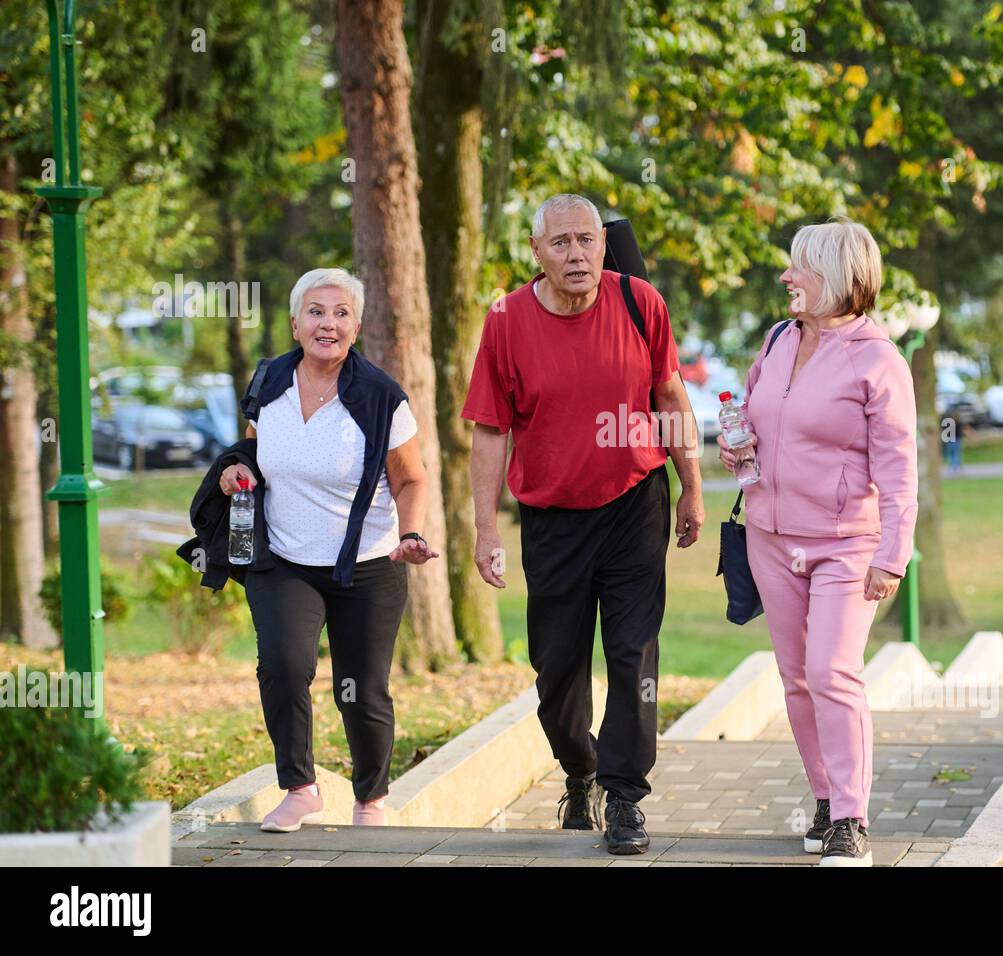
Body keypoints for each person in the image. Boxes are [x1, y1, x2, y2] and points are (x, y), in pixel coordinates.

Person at [461, 193, 704, 855]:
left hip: (634, 505)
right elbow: (489, 428)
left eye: (587, 240)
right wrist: (485, 528)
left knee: (632, 654)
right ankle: (582, 770)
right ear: (537, 253)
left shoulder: (639, 302)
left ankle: (625, 797)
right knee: (557, 669)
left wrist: (691, 487)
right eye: (561, 243)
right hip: (551, 519)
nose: (577, 254)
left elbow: (670, 395)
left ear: (604, 244)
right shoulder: (507, 318)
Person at [719, 220, 919, 866]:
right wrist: (735, 444)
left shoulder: (877, 360)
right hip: (770, 537)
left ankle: (853, 818)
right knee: (796, 679)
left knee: (833, 672)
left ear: (835, 278)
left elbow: (898, 468)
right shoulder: (779, 339)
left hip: (845, 545)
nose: (786, 277)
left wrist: (892, 555)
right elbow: (749, 415)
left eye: (798, 267)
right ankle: (826, 800)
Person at [218, 267, 438, 832]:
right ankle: (300, 787)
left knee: (361, 689)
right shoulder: (269, 383)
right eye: (316, 312)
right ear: (295, 324)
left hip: (366, 564)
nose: (328, 324)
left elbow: (412, 479)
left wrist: (410, 535)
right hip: (284, 561)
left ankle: (370, 800)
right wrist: (237, 471)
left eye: (341, 314)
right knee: (285, 666)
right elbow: (255, 448)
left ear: (357, 326)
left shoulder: (381, 397)